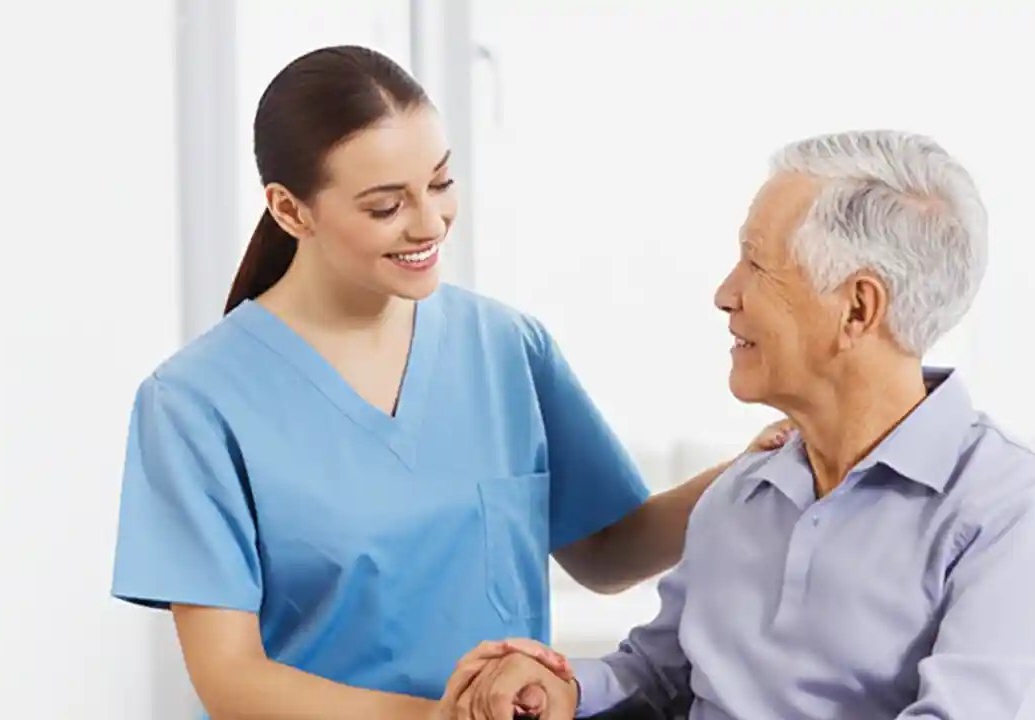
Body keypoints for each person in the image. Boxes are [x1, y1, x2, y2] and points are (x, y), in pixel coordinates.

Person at [108, 45, 789, 720]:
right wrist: (435, 717)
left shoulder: (505, 348)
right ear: (290, 211)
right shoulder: (194, 404)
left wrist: (752, 467)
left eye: (439, 183)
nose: (429, 223)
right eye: (385, 206)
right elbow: (231, 680)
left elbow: (608, 555)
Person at [448, 130, 1035, 719]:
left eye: (757, 264)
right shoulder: (746, 490)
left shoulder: (1018, 509)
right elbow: (656, 673)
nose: (725, 293)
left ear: (857, 309)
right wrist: (562, 688)